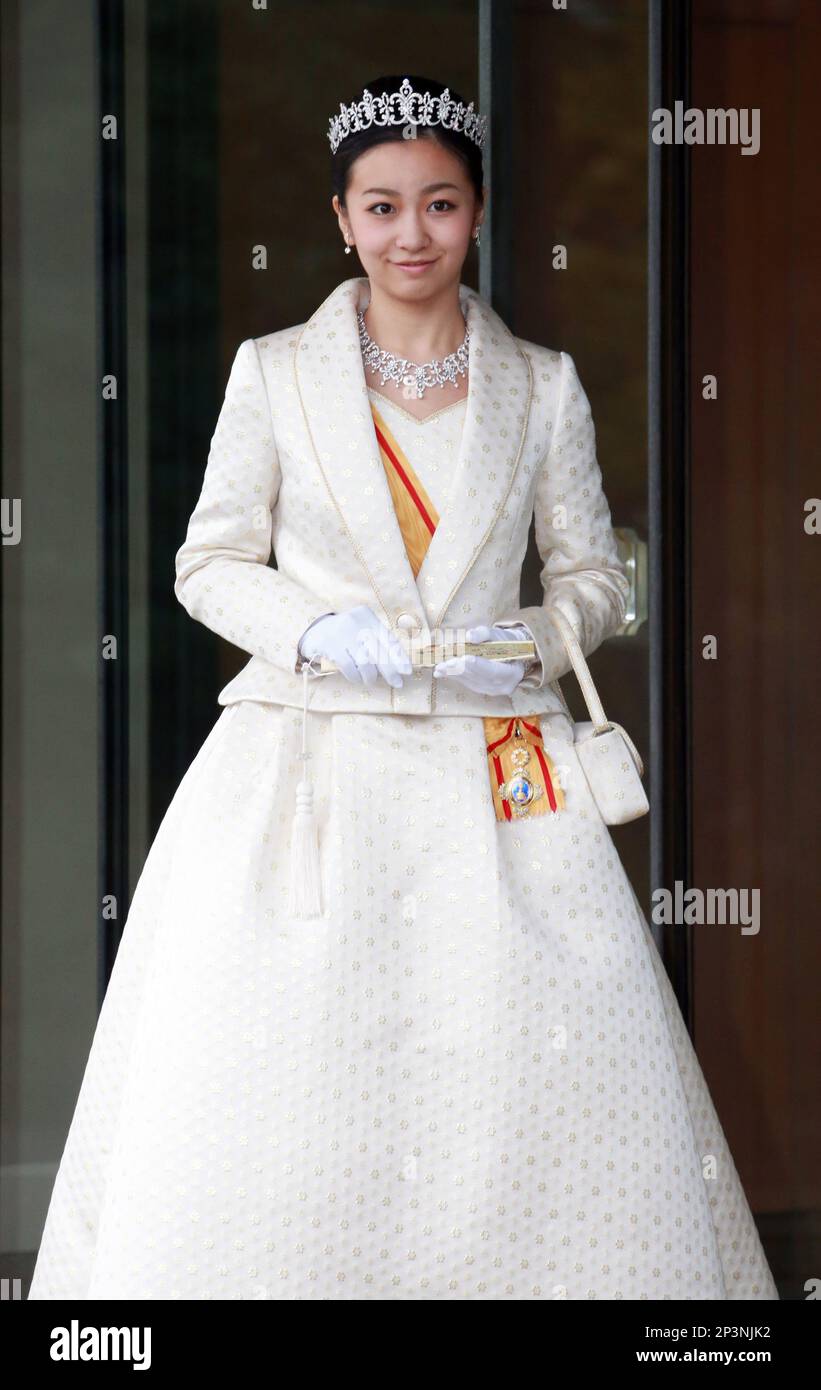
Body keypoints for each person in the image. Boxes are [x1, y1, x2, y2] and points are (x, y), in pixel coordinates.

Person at [28, 74, 778, 1301]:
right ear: (339, 219)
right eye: (381, 208)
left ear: (475, 214)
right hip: (308, 762)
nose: (409, 235)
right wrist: (319, 630)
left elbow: (596, 573)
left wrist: (530, 639)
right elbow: (206, 562)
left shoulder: (540, 385)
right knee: (293, 1065)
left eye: (437, 204)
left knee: (521, 1066)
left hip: (495, 762)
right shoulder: (273, 373)